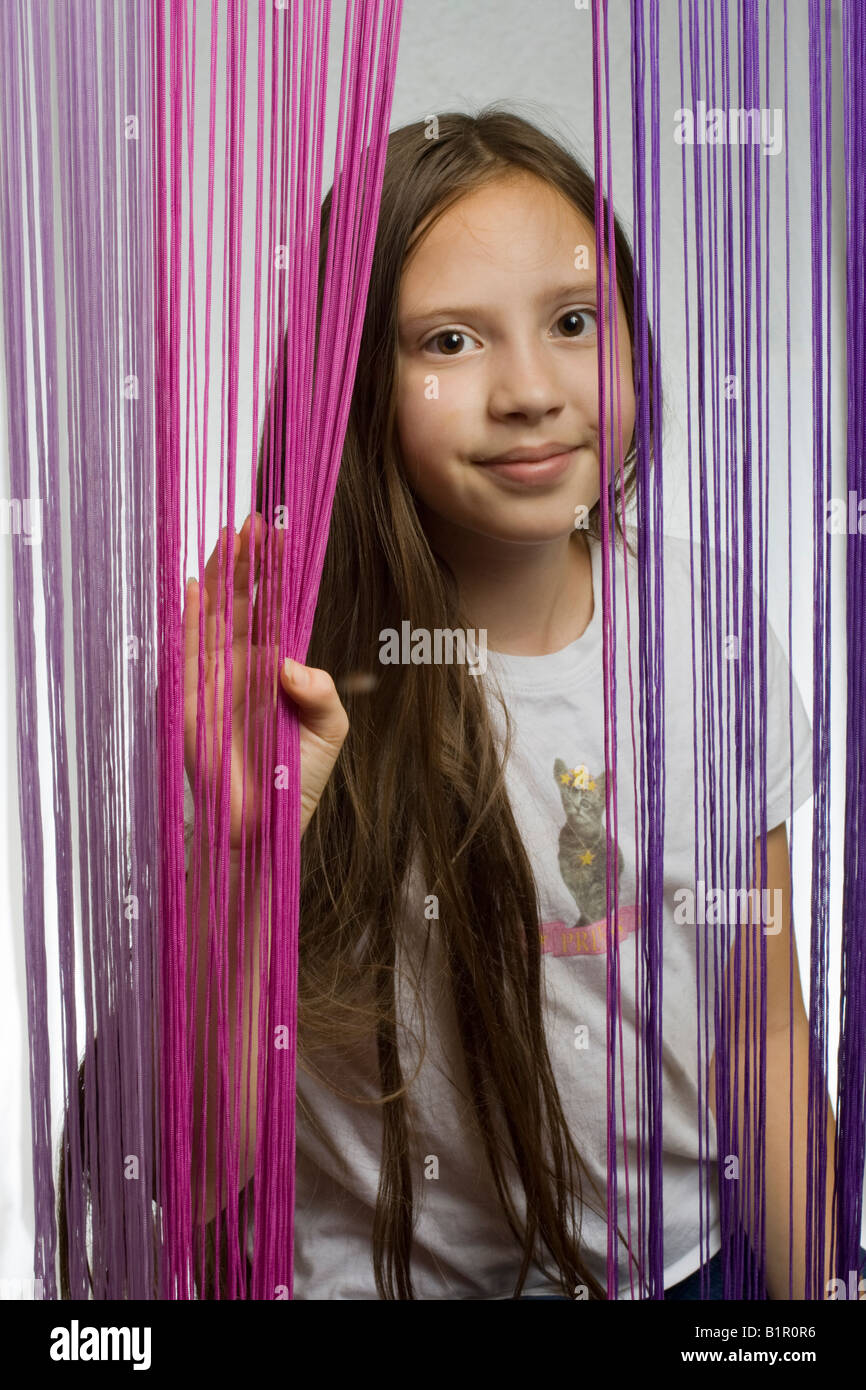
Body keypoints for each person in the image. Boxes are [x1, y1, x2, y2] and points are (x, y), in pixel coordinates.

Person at [178, 108, 844, 1300]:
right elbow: (189, 1169)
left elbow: (763, 1033)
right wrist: (245, 854)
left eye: (573, 321)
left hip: (686, 1267)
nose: (532, 391)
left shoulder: (707, 626)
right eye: (447, 340)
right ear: (350, 382)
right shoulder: (291, 684)